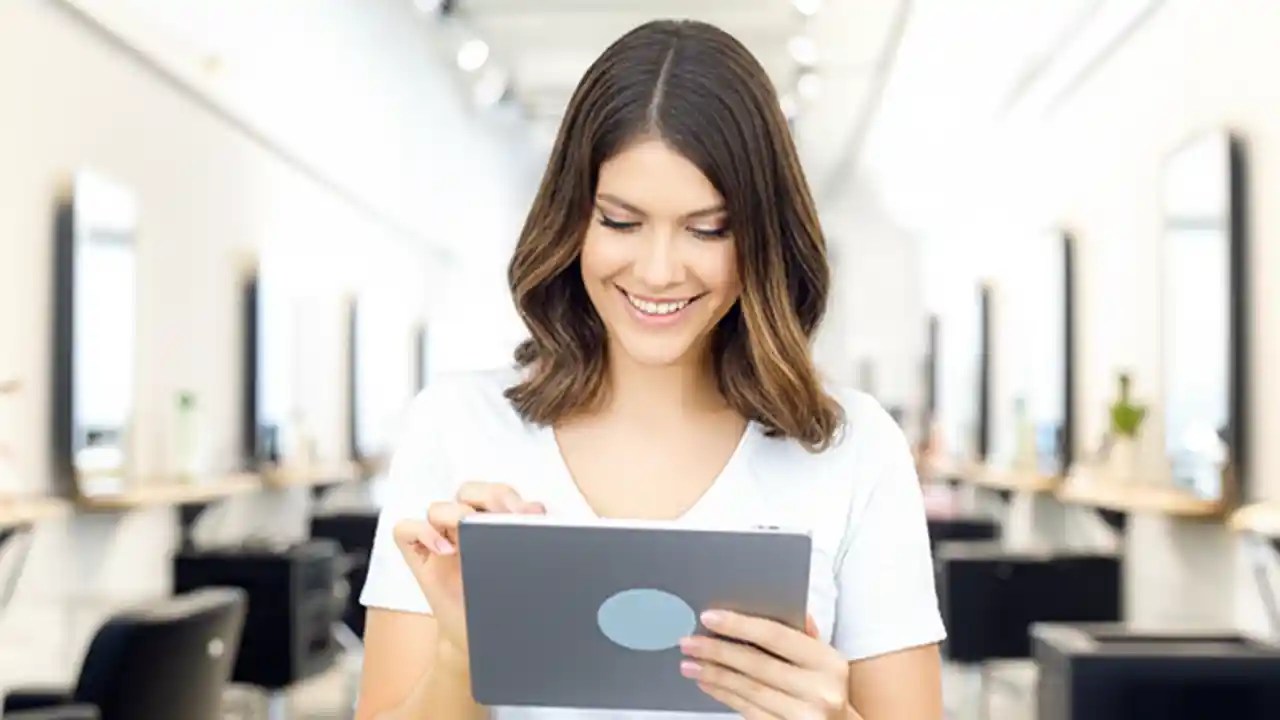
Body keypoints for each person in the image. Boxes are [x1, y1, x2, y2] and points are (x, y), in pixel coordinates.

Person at [355, 18, 945, 720]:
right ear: (572, 219)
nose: (659, 271)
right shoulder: (455, 428)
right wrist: (460, 653)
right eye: (620, 221)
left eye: (708, 229)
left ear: (762, 235)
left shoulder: (854, 449)